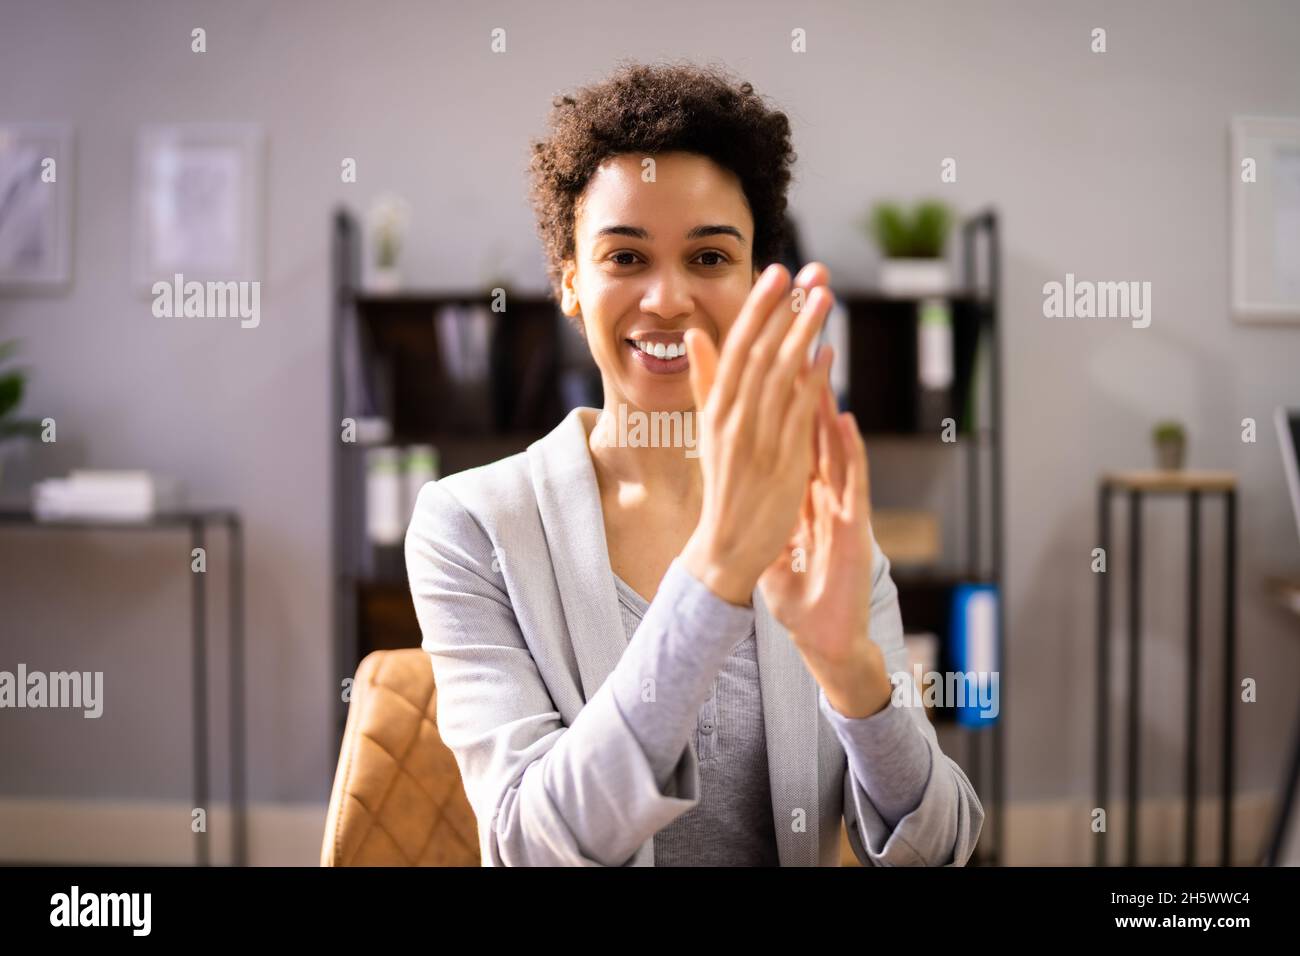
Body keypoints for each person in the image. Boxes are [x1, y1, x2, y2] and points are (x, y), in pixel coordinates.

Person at [405, 61, 984, 866]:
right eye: (625, 258)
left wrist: (856, 676)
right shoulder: (471, 524)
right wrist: (715, 573)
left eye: (710, 258)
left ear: (755, 284)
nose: (668, 298)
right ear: (570, 282)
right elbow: (527, 846)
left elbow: (945, 848)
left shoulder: (815, 517)